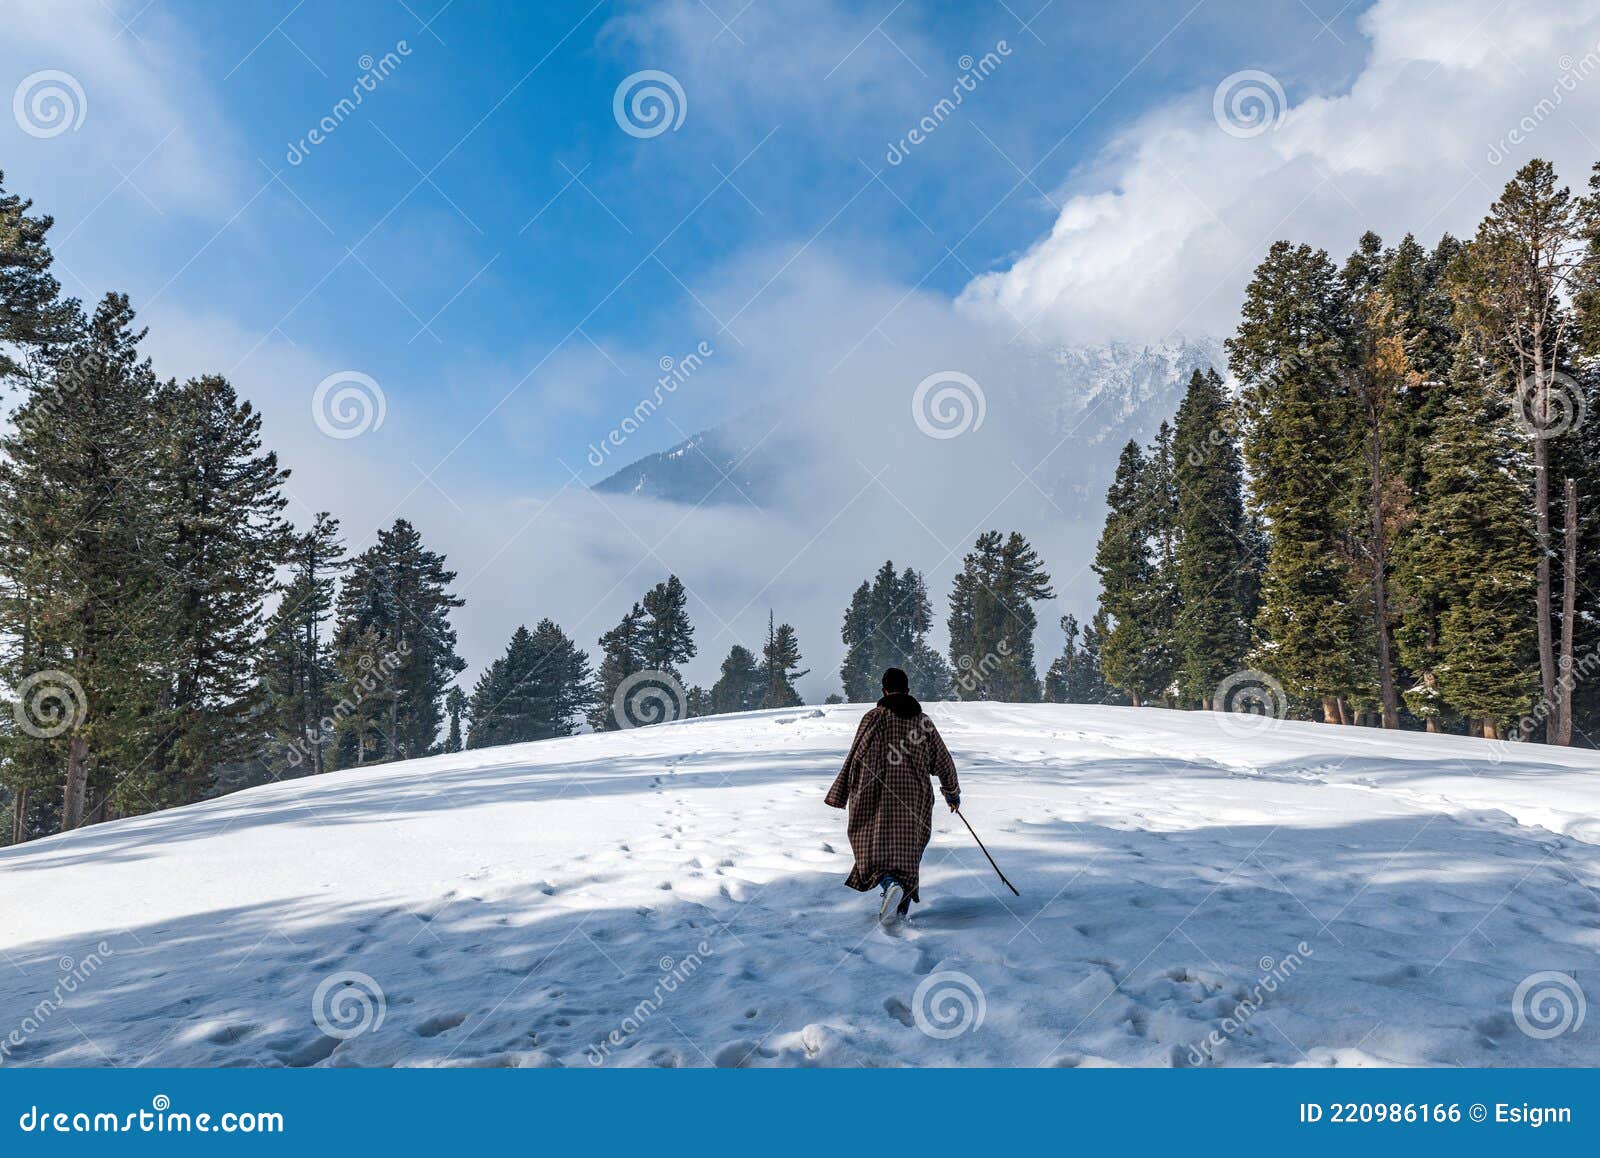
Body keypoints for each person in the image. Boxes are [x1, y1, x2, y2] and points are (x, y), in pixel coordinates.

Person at [824, 667, 961, 924]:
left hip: (872, 796)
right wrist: (951, 793)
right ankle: (898, 911)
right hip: (914, 799)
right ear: (907, 691)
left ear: (884, 691)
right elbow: (943, 762)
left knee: (869, 847)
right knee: (907, 853)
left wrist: (841, 791)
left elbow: (854, 757)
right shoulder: (923, 723)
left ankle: (889, 885)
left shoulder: (873, 718)